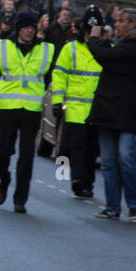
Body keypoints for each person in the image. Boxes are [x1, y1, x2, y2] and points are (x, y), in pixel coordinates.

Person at [87, 9, 136, 221]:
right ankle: (112, 206)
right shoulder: (123, 43)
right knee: (108, 160)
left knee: (125, 156)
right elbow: (111, 56)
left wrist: (95, 39)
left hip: (125, 109)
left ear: (132, 25)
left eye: (121, 21)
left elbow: (107, 58)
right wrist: (105, 42)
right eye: (116, 20)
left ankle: (134, 204)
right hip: (108, 107)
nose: (116, 24)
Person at [0, 12, 53, 213]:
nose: (30, 30)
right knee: (3, 152)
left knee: (27, 156)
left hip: (31, 110)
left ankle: (20, 198)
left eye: (33, 27)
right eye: (26, 27)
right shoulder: (2, 46)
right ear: (18, 28)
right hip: (7, 108)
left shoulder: (46, 49)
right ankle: (4, 180)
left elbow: (49, 76)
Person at [51, 18, 102, 199]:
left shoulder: (105, 48)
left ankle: (88, 182)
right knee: (78, 147)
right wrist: (57, 101)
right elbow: (59, 75)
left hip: (97, 110)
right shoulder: (70, 48)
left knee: (92, 149)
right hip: (75, 109)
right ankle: (78, 180)